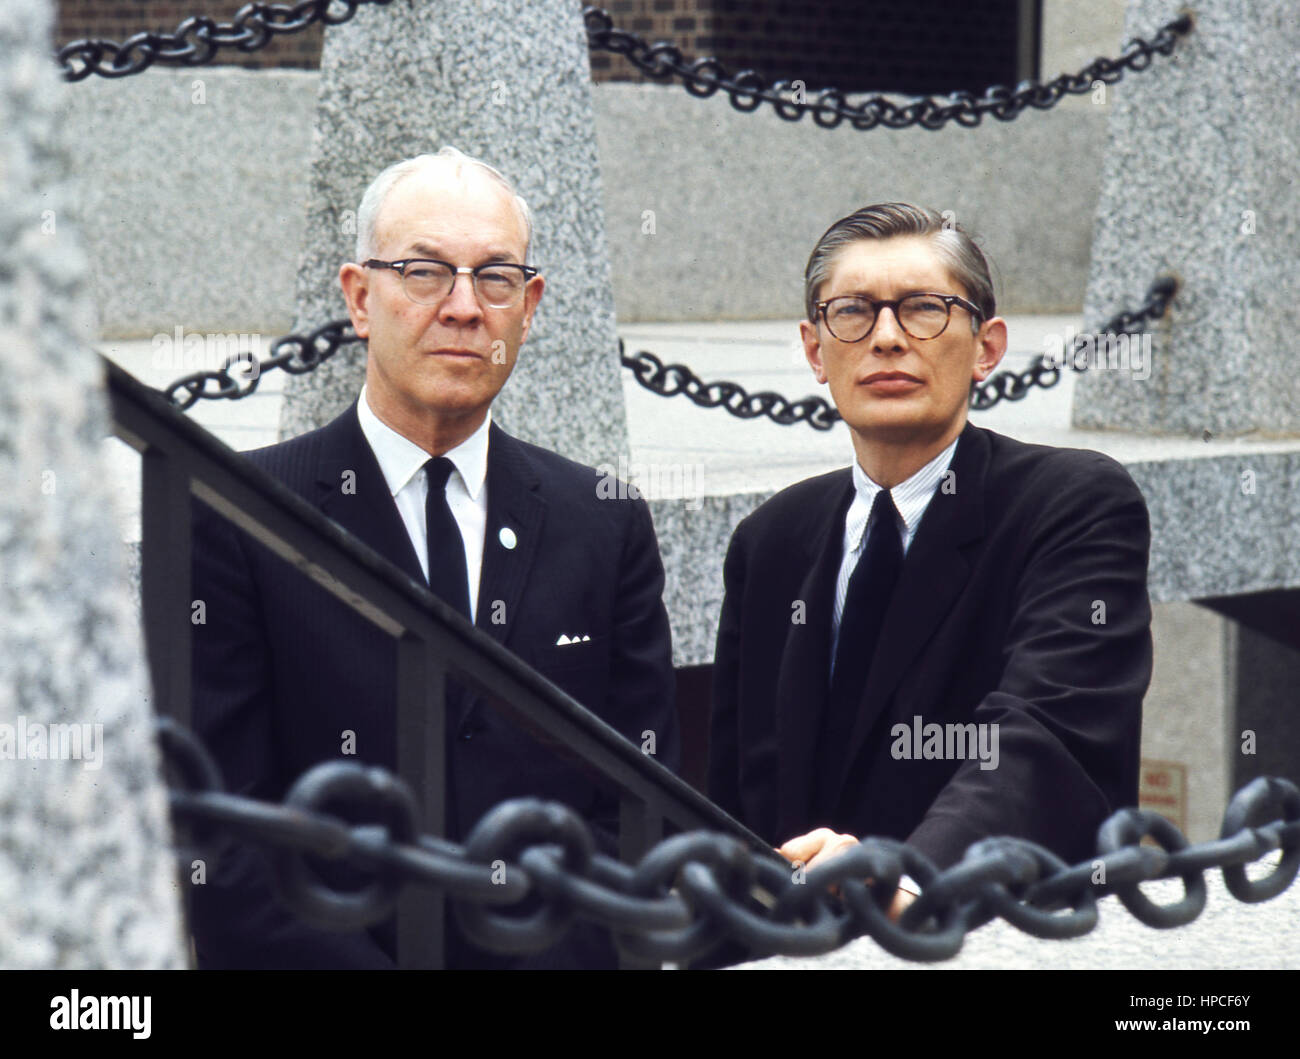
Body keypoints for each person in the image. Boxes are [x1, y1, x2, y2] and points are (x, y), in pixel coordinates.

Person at [189, 147, 680, 968]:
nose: (462, 306)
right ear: (358, 297)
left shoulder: (603, 521)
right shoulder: (244, 514)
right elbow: (223, 827)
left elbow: (638, 808)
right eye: (423, 272)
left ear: (530, 306)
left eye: (494, 278)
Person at [708, 203, 1151, 922]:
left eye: (923, 309)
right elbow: (731, 801)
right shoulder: (771, 541)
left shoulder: (1072, 503)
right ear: (816, 350)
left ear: (986, 345)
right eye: (852, 312)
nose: (886, 337)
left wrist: (910, 880)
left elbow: (1045, 732)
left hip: (979, 939)